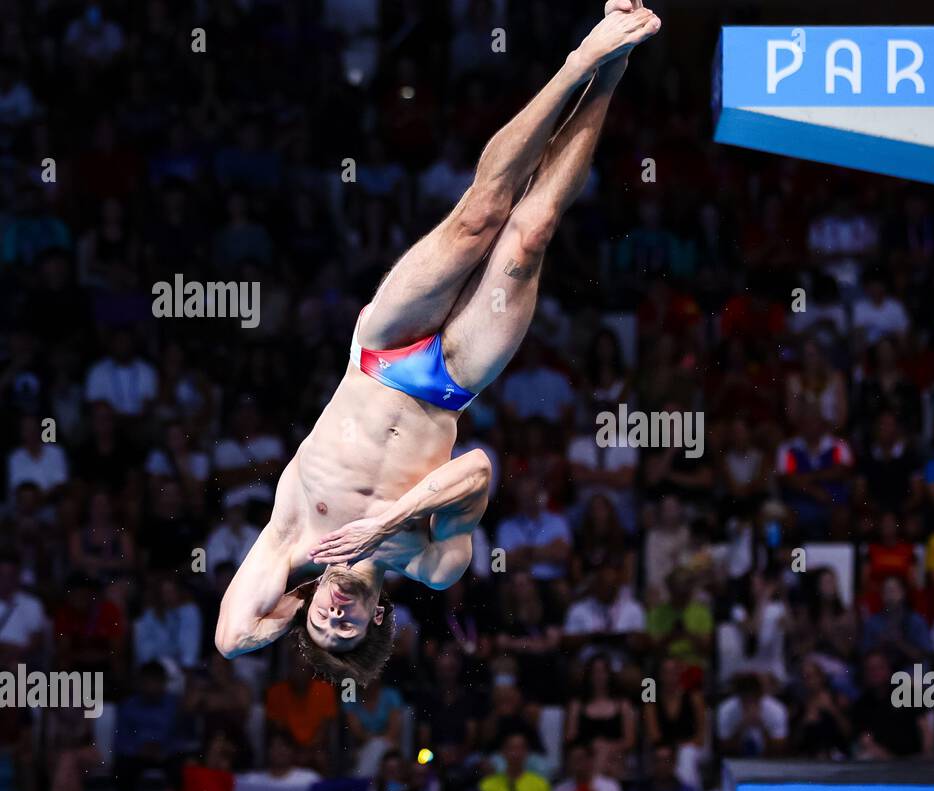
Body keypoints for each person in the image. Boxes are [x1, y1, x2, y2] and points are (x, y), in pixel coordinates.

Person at [215, 5, 661, 686]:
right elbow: (479, 469)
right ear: (379, 620)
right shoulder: (430, 563)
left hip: (381, 353)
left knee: (482, 215)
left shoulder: (292, 540)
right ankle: (614, 68)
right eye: (348, 628)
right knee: (530, 230)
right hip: (450, 383)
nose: (336, 616)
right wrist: (389, 521)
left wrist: (285, 613)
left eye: (322, 623)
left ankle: (580, 57)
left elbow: (230, 638)